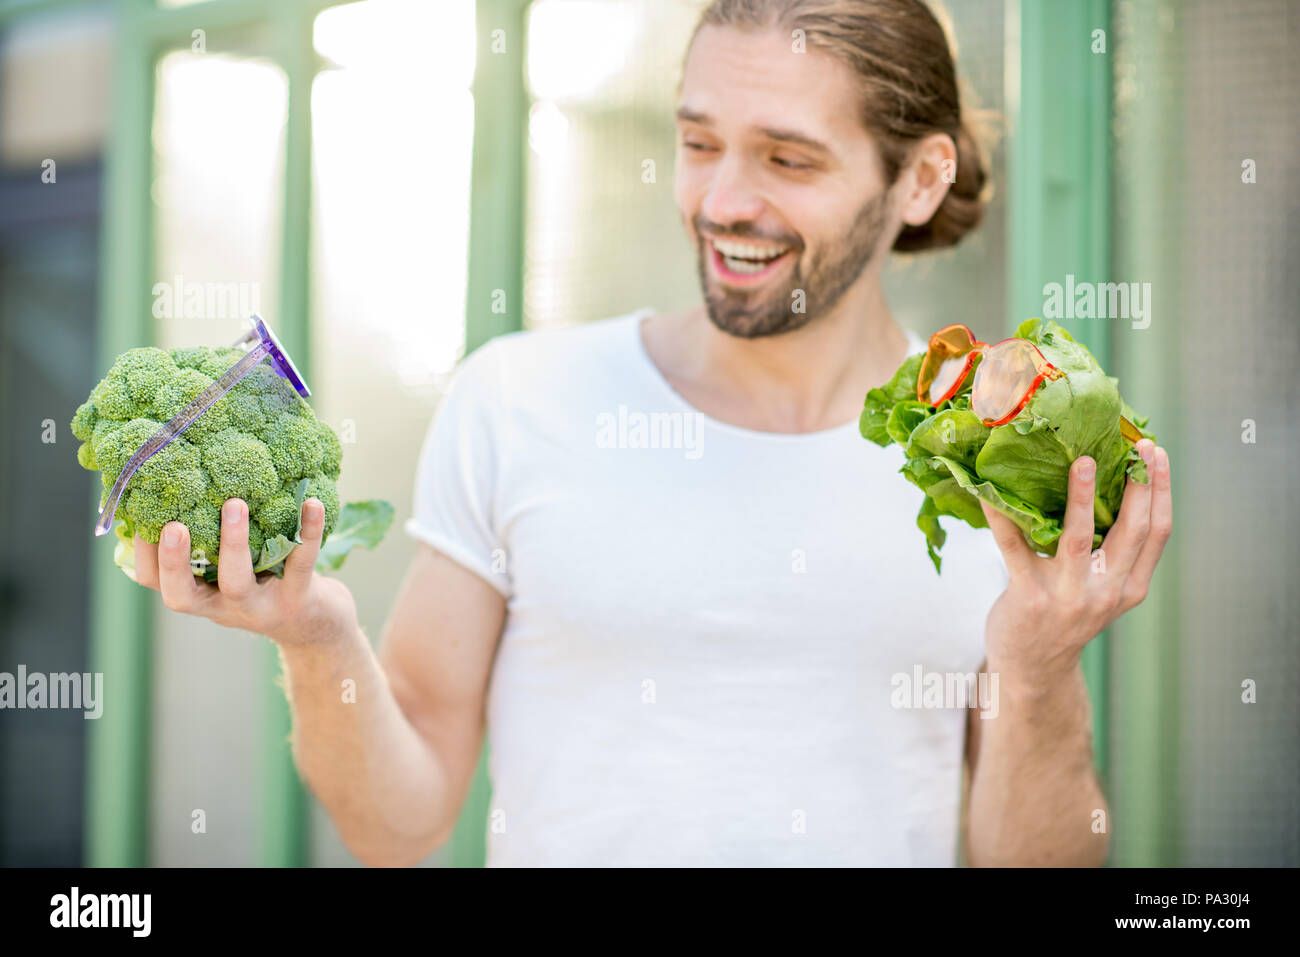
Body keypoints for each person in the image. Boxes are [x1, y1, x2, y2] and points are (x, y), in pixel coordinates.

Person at [131, 0, 1172, 866]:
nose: (723, 200)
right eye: (698, 143)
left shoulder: (982, 464)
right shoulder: (520, 400)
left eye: (788, 159)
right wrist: (318, 638)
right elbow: (397, 826)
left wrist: (1039, 668)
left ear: (921, 178)